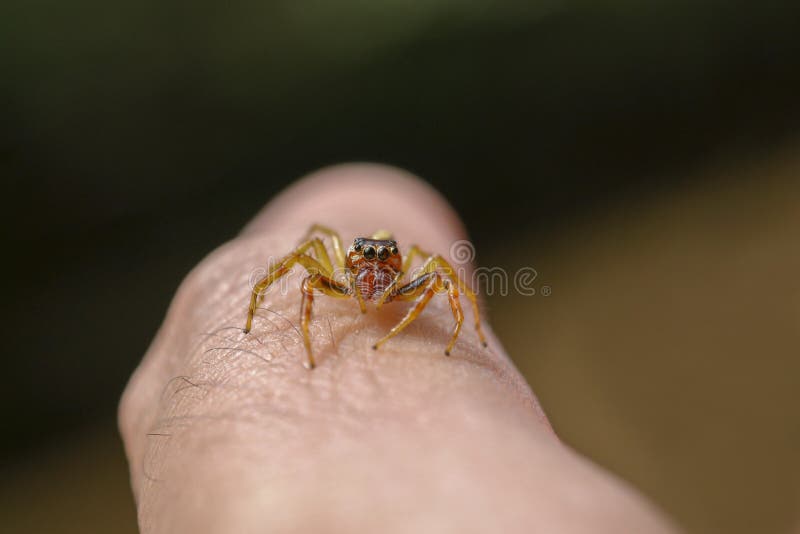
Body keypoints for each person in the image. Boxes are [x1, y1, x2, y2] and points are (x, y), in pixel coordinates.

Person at [119, 164, 680, 533]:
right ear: (354, 260)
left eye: (381, 263)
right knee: (298, 258)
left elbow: (444, 275)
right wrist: (274, 324)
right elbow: (299, 259)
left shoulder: (410, 269)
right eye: (365, 263)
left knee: (441, 271)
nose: (372, 272)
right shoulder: (334, 266)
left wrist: (434, 331)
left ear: (393, 263)